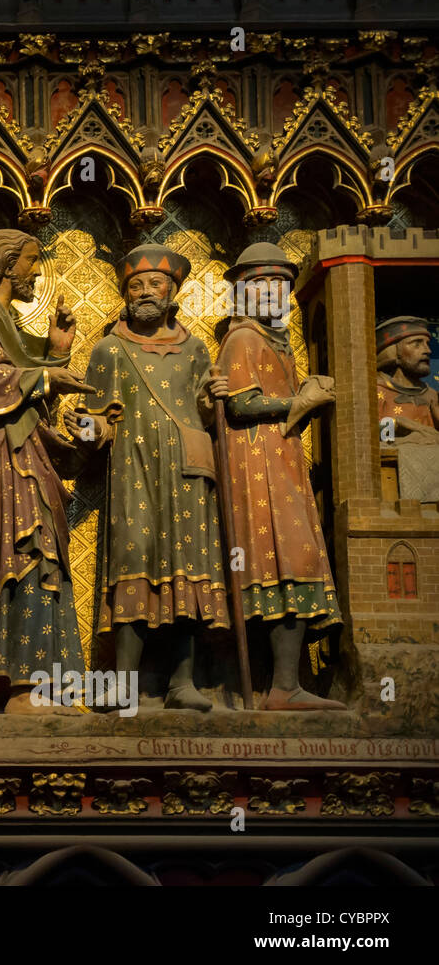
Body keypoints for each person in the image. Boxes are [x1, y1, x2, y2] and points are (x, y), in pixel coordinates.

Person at [63, 244, 229, 712]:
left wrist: (214, 398)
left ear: (173, 291)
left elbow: (204, 411)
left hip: (186, 476)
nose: (144, 293)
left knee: (186, 569)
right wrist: (89, 428)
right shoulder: (109, 350)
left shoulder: (196, 349)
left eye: (154, 284)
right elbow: (99, 419)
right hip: (133, 470)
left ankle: (181, 681)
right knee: (132, 560)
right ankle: (123, 682)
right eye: (135, 286)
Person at [0, 229, 92, 712]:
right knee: (24, 558)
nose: (36, 272)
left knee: (38, 558)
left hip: (23, 454)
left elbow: (17, 374)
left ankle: (25, 683)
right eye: (31, 262)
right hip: (6, 460)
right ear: (7, 265)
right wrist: (46, 373)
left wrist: (55, 350)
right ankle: (23, 685)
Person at [214, 242, 344, 710]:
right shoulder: (244, 339)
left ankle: (284, 684)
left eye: (281, 287)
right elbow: (240, 404)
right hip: (257, 465)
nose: (274, 294)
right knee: (286, 560)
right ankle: (281, 688)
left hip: (279, 458)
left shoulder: (272, 343)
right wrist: (300, 402)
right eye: (262, 285)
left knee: (295, 558)